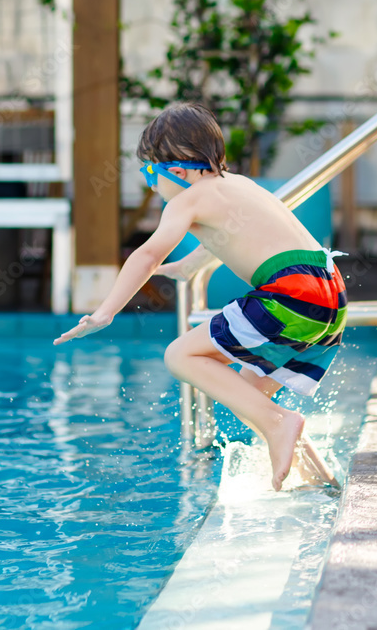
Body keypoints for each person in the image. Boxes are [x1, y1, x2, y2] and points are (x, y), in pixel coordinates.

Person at [53, 102, 347, 491]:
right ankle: (319, 482)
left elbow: (147, 253)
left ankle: (282, 425)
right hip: (329, 294)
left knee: (179, 355)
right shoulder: (241, 185)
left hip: (291, 295)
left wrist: (105, 312)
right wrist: (189, 267)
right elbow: (233, 234)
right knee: (249, 399)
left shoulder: (186, 199)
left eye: (148, 175)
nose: (151, 186)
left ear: (174, 171)